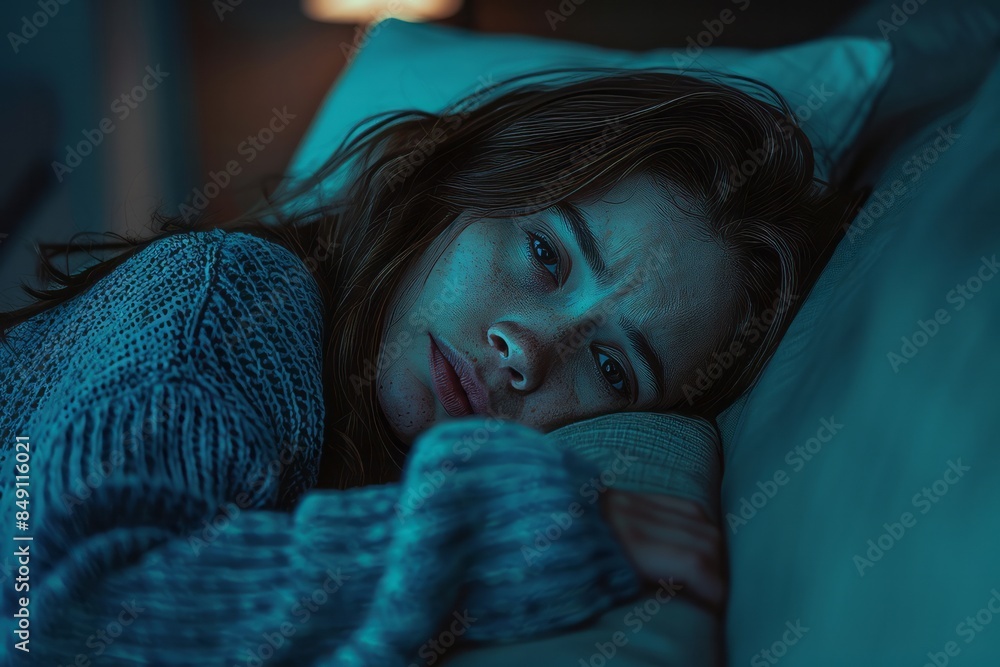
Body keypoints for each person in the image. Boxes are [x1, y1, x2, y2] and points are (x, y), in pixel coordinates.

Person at [0, 69, 861, 665]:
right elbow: (49, 610)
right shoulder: (233, 297)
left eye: (609, 365)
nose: (529, 348)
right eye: (546, 253)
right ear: (464, 185)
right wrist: (483, 535)